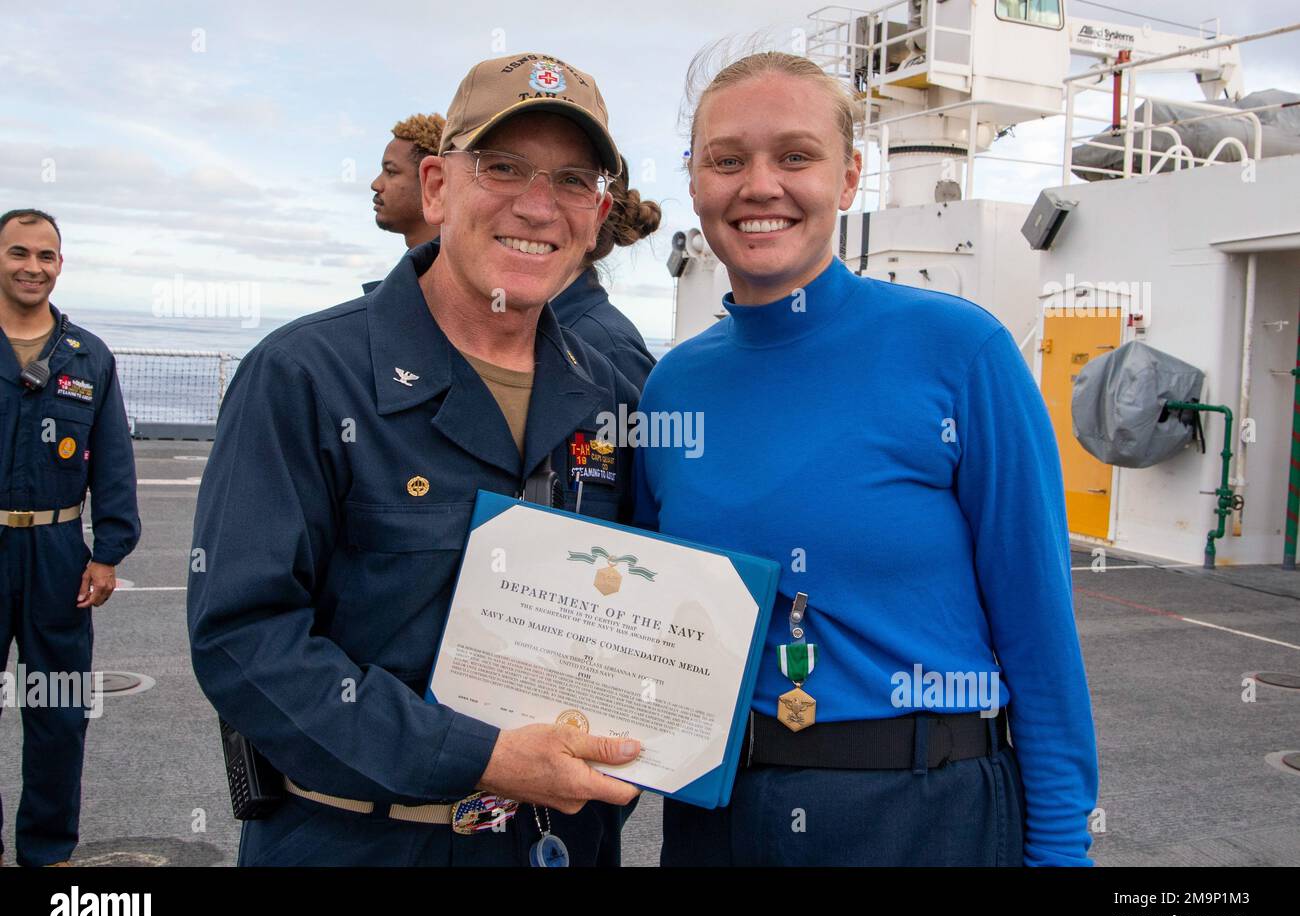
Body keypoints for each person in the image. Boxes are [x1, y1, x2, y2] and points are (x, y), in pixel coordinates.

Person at [633, 51, 1099, 866]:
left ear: (848, 179)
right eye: (727, 159)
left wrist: (1060, 850)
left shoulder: (961, 352)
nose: (759, 185)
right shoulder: (673, 386)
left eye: (796, 156)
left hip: (926, 816)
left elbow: (1040, 631)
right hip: (722, 818)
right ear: (696, 181)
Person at [188, 53, 644, 867]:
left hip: (560, 847)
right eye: (504, 168)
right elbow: (244, 640)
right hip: (360, 844)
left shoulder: (608, 393)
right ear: (438, 186)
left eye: (573, 180)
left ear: (598, 209)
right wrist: (477, 758)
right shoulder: (303, 376)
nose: (539, 207)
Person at [0, 208, 140, 867]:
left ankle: (48, 852)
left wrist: (109, 553)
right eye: (18, 253)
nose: (32, 267)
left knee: (57, 710)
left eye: (45, 256)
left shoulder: (88, 357)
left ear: (61, 265)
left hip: (57, 558)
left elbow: (113, 462)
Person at [550, 155, 659, 391]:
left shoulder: (608, 348)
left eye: (571, 182)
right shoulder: (549, 328)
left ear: (598, 219)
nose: (535, 210)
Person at [371, 113, 445, 249]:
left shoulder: (468, 269)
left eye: (391, 172)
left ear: (434, 184)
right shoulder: (416, 268)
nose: (375, 185)